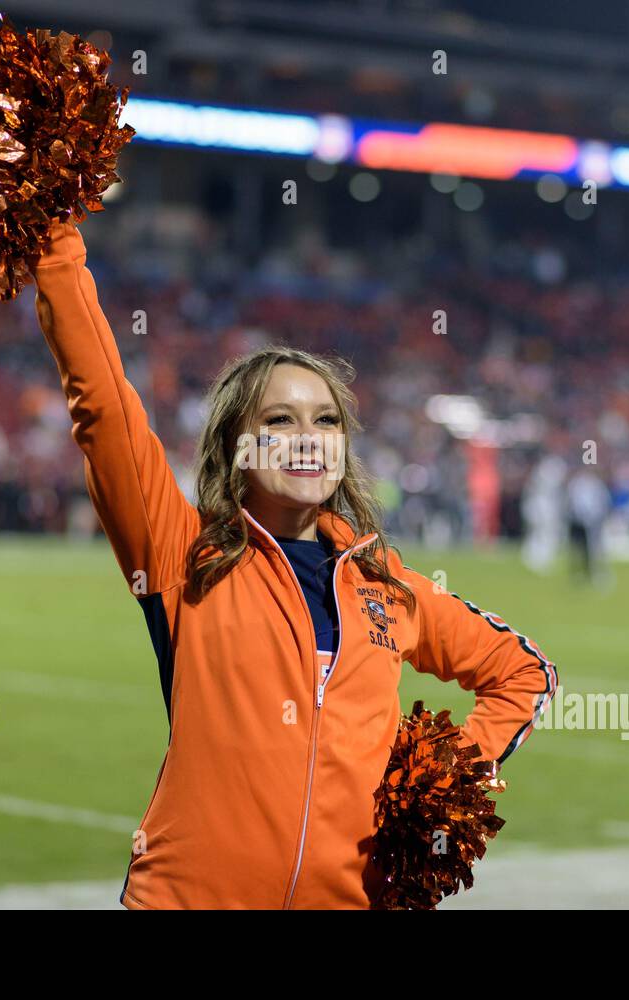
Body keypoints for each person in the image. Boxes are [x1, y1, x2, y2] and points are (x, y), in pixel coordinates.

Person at [32, 219, 558, 910]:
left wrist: (444, 785)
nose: (307, 440)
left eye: (326, 421)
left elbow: (523, 672)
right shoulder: (182, 556)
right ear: (235, 446)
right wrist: (51, 239)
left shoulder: (386, 586)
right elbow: (102, 406)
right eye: (278, 421)